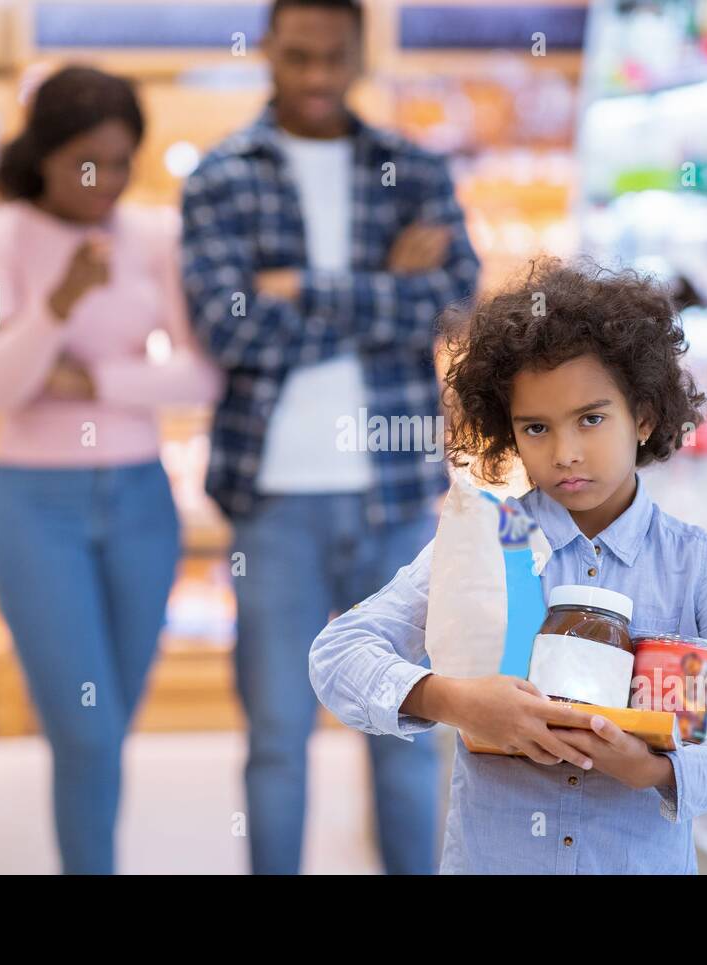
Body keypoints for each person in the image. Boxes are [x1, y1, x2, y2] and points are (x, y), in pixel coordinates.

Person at [310, 258, 707, 873]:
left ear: (643, 417)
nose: (566, 454)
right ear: (508, 433)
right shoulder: (493, 540)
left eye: (591, 419)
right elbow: (338, 652)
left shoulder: (696, 566)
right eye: (536, 428)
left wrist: (654, 769)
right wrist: (456, 702)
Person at [180, 0, 480, 874]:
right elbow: (230, 329)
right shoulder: (221, 177)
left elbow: (457, 299)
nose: (316, 78)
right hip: (271, 499)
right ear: (268, 50)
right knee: (277, 736)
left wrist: (302, 290)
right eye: (298, 57)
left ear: (361, 54)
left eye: (333, 59)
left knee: (409, 727)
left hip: (392, 493)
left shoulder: (412, 169)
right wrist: (381, 291)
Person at [0, 65, 222, 874]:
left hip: (142, 499)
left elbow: (203, 375)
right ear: (41, 154)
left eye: (120, 162)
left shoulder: (154, 238)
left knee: (110, 724)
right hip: (37, 507)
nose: (105, 181)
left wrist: (94, 380)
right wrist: (60, 304)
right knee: (86, 730)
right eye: (86, 162)